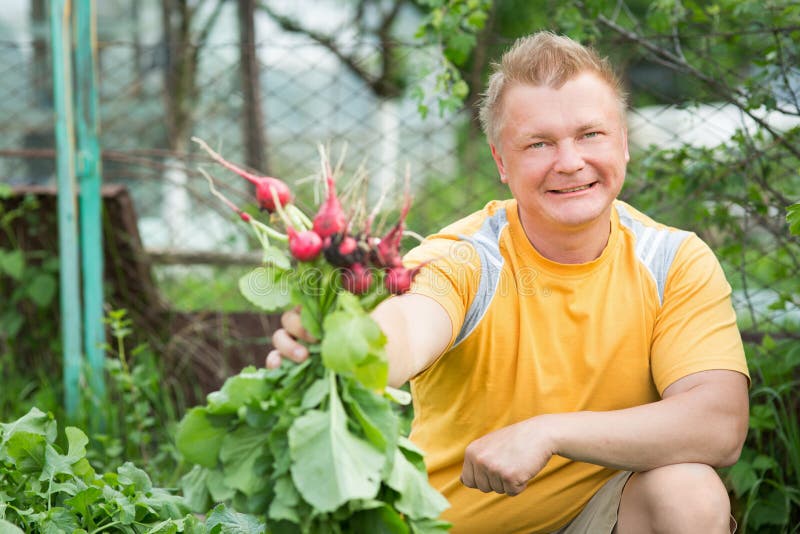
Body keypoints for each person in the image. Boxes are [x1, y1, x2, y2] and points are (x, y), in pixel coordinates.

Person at [268, 31, 750, 534]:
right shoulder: (468, 257)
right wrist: (342, 348)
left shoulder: (672, 261)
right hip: (455, 526)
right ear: (502, 162)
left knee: (689, 494)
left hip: (599, 519)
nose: (569, 162)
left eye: (590, 135)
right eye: (539, 143)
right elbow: (409, 326)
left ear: (623, 145)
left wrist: (551, 433)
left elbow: (718, 424)